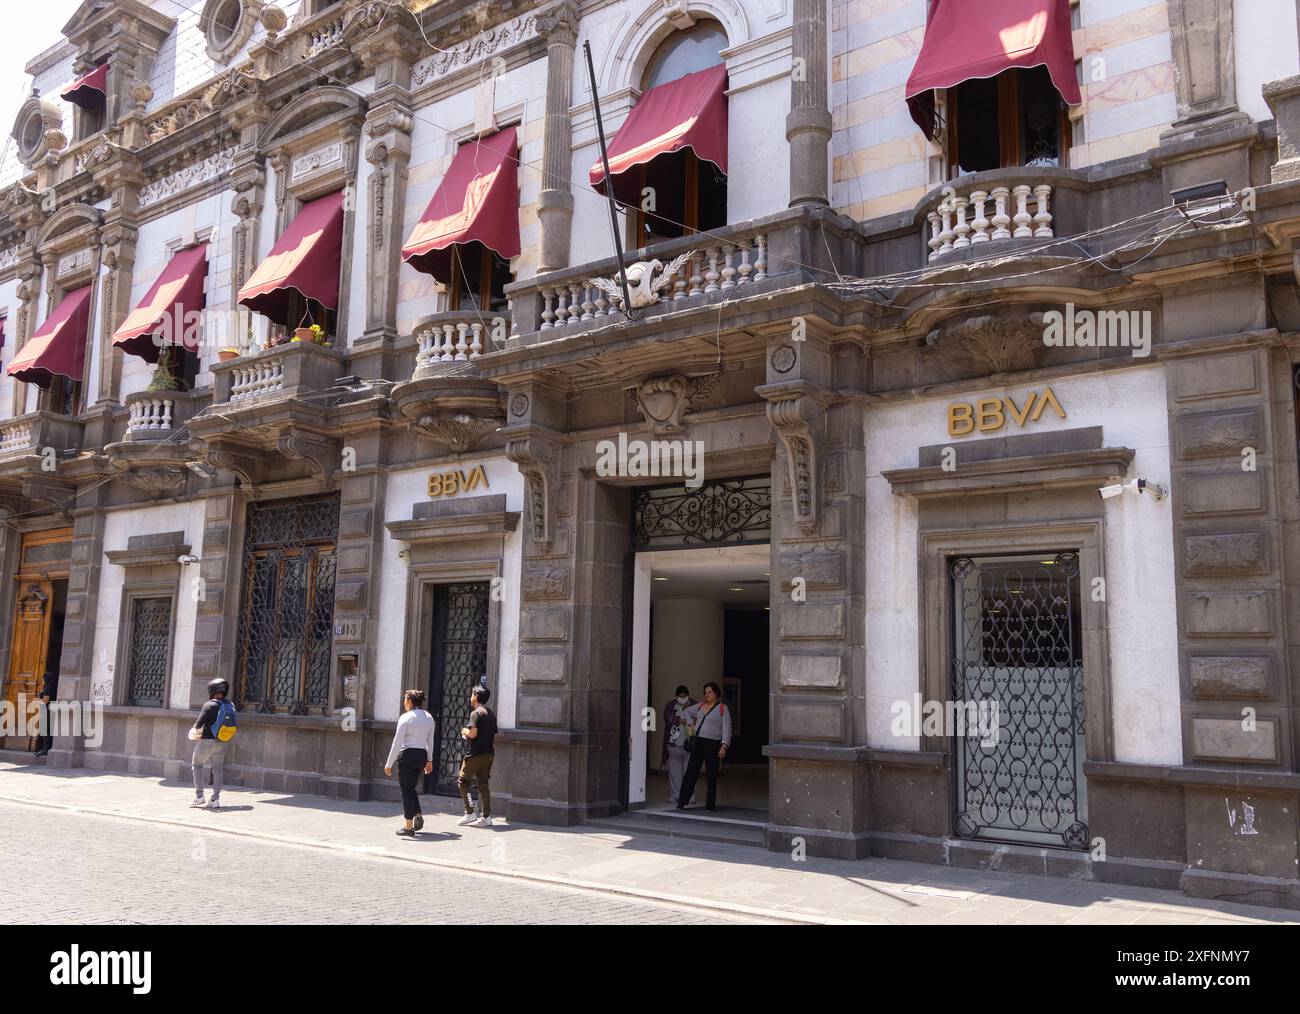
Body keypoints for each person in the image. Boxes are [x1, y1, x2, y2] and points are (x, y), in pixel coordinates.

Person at [384, 689, 436, 837]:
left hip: (407, 755)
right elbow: (430, 741)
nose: (404, 703)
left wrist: (389, 763)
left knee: (406, 790)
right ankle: (417, 814)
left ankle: (408, 826)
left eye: (406, 700)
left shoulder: (406, 717)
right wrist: (429, 760)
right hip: (421, 755)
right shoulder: (429, 717)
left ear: (411, 702)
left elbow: (397, 741)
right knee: (411, 787)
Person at [676, 682, 731, 813]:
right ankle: (682, 802)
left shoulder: (723, 708)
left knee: (711, 774)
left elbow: (727, 729)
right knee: (691, 772)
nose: (707, 694)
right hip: (698, 742)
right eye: (705, 692)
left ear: (716, 693)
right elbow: (687, 711)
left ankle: (709, 805)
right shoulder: (700, 705)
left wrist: (724, 746)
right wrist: (691, 724)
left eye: (710, 692)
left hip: (713, 744)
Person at [188, 678, 236, 810]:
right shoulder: (229, 704)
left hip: (207, 741)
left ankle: (199, 797)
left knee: (197, 765)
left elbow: (199, 724)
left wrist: (193, 733)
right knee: (218, 769)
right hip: (223, 741)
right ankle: (215, 800)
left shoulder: (209, 705)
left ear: (212, 690)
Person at [456, 685, 497, 827]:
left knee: (463, 781)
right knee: (483, 784)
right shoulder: (491, 714)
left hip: (475, 755)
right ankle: (486, 817)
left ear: (476, 696)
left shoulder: (475, 714)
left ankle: (470, 812)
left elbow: (473, 734)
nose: (471, 697)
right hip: (489, 754)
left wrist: (465, 732)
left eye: (472, 694)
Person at [661, 685, 697, 805]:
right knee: (675, 773)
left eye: (685, 696)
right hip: (674, 744)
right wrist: (678, 719)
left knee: (690, 772)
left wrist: (690, 718)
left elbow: (701, 718)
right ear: (676, 696)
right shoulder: (671, 705)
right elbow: (666, 717)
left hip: (690, 744)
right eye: (680, 696)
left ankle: (689, 796)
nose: (682, 698)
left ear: (688, 695)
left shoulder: (694, 705)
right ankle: (675, 795)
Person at [34, 668, 58, 757]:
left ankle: (46, 749)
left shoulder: (48, 688)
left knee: (45, 730)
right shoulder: (52, 686)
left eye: (43, 678)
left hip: (47, 711)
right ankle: (46, 748)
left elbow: (45, 701)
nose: (42, 680)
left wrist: (35, 700)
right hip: (51, 710)